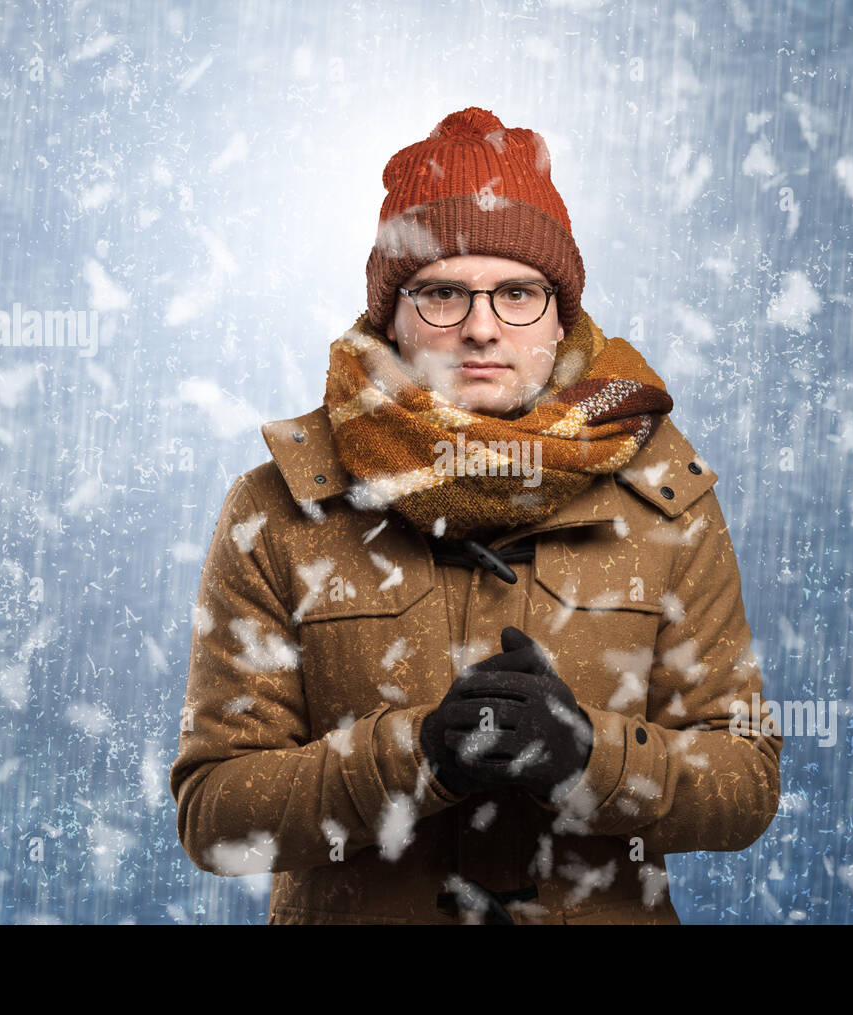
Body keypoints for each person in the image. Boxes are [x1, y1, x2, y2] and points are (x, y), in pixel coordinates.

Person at [169, 106, 782, 925]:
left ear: (561, 314)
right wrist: (413, 757)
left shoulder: (666, 499)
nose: (482, 327)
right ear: (391, 314)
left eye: (518, 293)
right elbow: (215, 818)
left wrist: (591, 760)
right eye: (442, 293)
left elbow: (746, 784)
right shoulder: (280, 509)